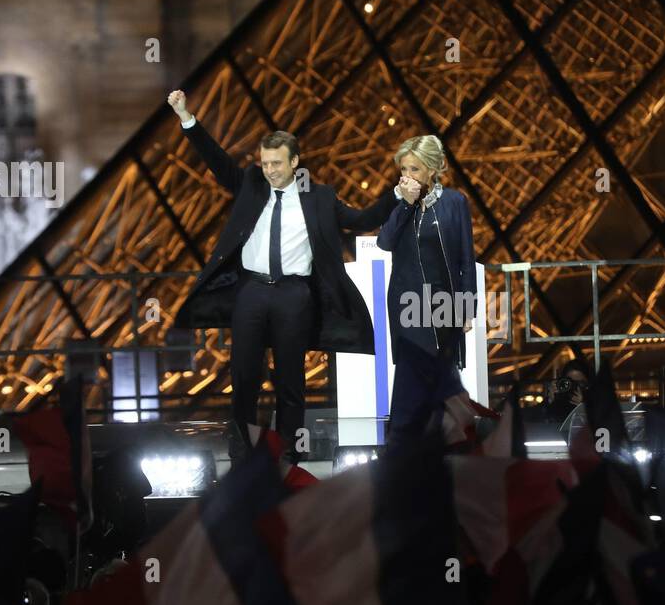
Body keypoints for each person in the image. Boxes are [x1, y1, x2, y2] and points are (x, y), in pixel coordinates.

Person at [166, 90, 391, 464]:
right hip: (252, 290)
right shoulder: (251, 185)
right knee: (244, 376)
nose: (268, 170)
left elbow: (362, 220)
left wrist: (396, 195)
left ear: (295, 162)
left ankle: (288, 453)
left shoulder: (319, 198)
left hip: (294, 294)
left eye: (276, 163)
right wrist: (187, 117)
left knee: (291, 380)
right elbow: (217, 162)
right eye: (264, 163)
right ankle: (242, 449)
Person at [376, 134, 476, 446]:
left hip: (444, 303)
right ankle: (402, 442)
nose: (407, 176)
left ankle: (448, 441)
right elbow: (384, 242)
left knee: (443, 374)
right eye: (403, 169)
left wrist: (467, 308)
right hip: (408, 303)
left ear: (432, 170)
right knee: (409, 374)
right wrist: (404, 205)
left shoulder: (455, 203)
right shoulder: (396, 201)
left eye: (414, 169)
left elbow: (465, 258)